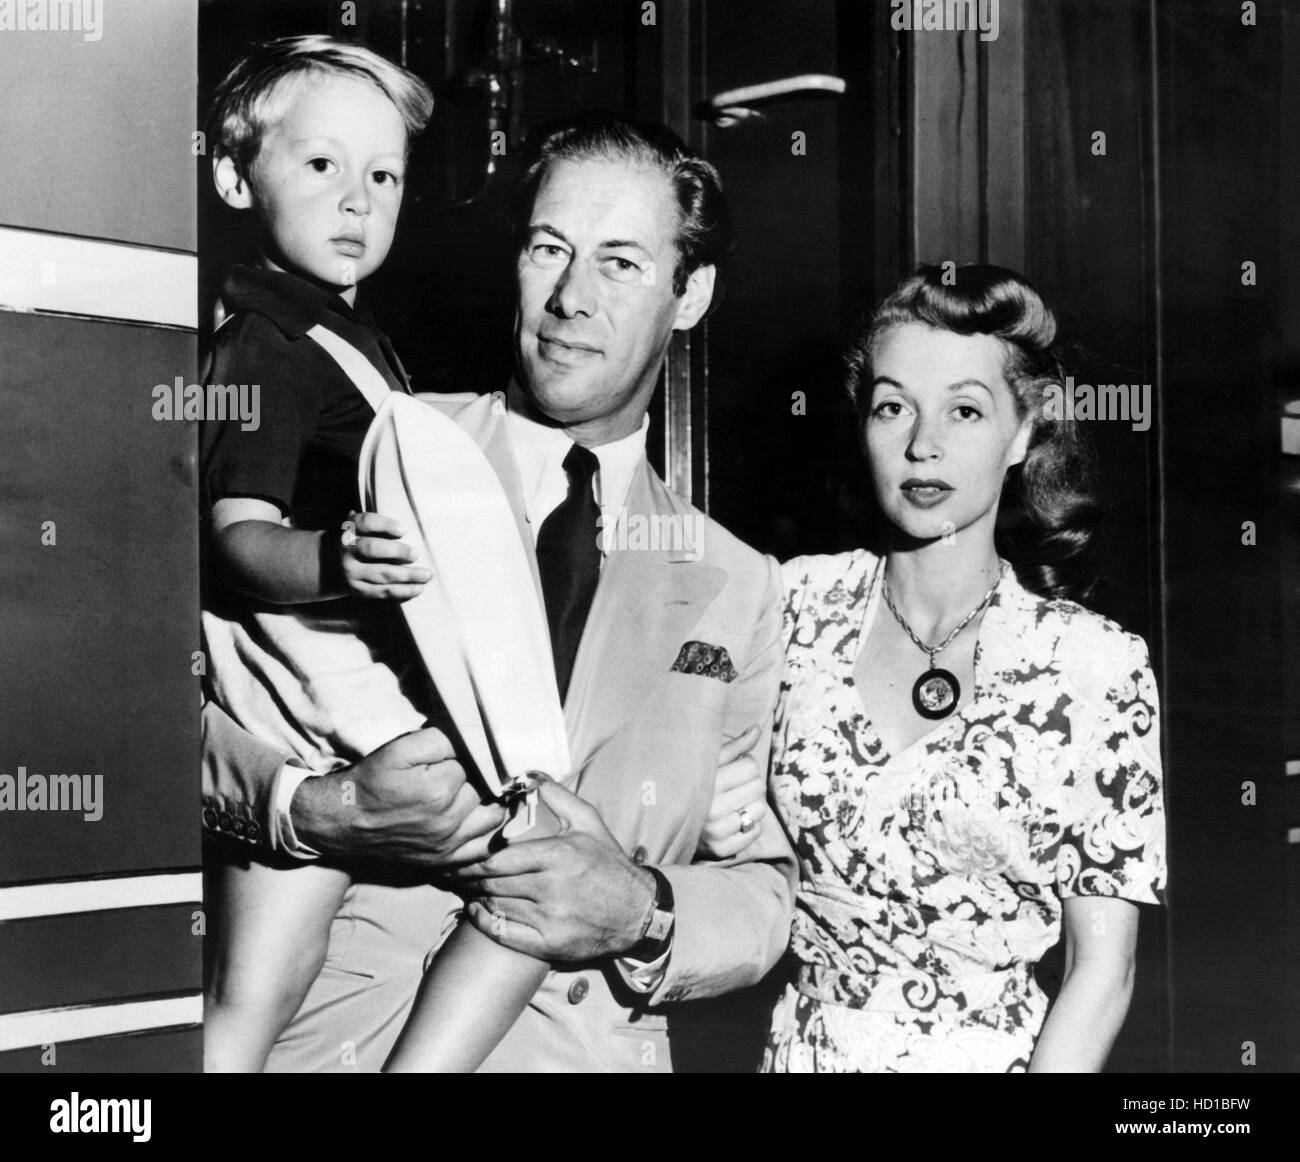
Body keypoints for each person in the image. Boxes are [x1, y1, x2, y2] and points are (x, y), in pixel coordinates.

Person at [202, 114, 797, 1073]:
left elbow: (766, 890)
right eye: (548, 249)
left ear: (691, 296)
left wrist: (643, 912)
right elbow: (158, 709)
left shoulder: (741, 584)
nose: (571, 297)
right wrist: (309, 807)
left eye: (621, 264)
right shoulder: (373, 449)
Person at [762, 265, 1167, 1073]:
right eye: (892, 406)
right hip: (805, 1049)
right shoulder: (786, 607)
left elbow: (1103, 971)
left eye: (965, 409)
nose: (923, 443)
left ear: (1022, 434)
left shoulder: (1094, 667)